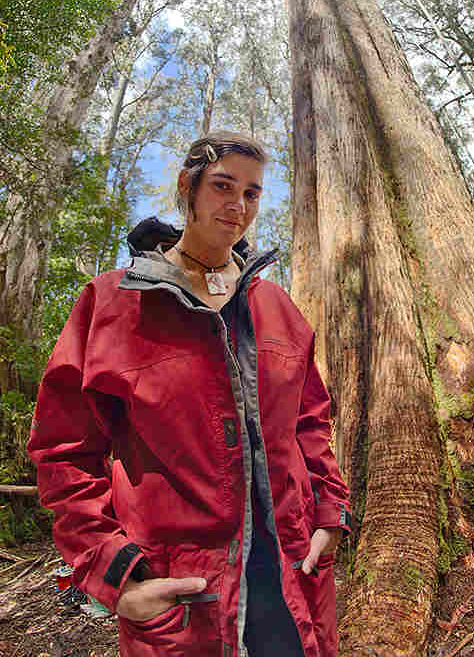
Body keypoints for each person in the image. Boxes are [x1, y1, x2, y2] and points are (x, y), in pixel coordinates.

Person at [28, 131, 351, 657]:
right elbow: (63, 452)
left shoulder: (276, 307)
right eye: (223, 185)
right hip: (183, 597)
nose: (238, 204)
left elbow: (310, 423)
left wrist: (329, 516)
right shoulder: (112, 303)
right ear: (188, 187)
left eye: (251, 193)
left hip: (293, 580)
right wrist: (116, 575)